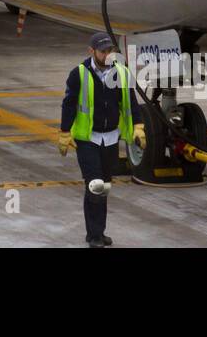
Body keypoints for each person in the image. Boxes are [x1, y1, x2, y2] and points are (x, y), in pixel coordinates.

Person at [57, 31, 145, 247]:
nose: (107, 55)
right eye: (102, 51)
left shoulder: (122, 73)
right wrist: (64, 132)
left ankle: (98, 231)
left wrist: (138, 126)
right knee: (95, 185)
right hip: (88, 138)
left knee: (104, 186)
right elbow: (68, 104)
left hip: (111, 138)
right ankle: (94, 235)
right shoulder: (78, 73)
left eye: (109, 51)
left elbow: (131, 103)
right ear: (91, 51)